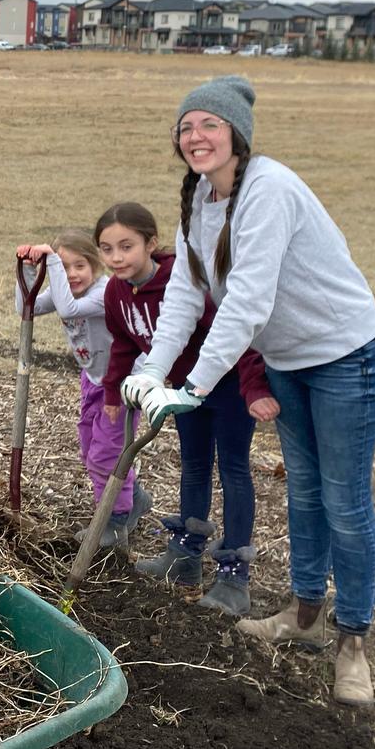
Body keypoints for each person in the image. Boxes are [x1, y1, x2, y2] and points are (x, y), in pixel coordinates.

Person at [120, 76, 375, 706]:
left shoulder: (267, 188)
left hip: (347, 358)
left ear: (237, 134)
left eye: (210, 125)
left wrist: (192, 384)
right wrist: (151, 371)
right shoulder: (200, 201)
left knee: (343, 502)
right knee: (303, 493)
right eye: (187, 128)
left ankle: (351, 639)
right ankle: (302, 615)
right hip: (288, 363)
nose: (196, 137)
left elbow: (246, 300)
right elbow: (189, 292)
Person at [94, 201, 277, 616]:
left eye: (126, 246)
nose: (116, 257)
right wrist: (111, 394)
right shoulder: (115, 292)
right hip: (182, 392)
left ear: (151, 244)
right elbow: (123, 342)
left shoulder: (182, 281)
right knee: (193, 465)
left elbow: (236, 332)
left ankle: (233, 576)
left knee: (232, 468)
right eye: (106, 248)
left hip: (226, 386)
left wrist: (253, 387)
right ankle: (185, 559)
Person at [15, 230, 149, 547]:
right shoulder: (67, 291)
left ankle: (114, 524)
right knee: (91, 448)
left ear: (95, 265)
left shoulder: (106, 292)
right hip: (94, 378)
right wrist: (31, 268)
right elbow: (26, 307)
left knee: (105, 456)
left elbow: (69, 311)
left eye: (79, 266)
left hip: (124, 383)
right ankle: (134, 499)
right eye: (65, 266)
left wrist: (54, 262)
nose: (72, 274)